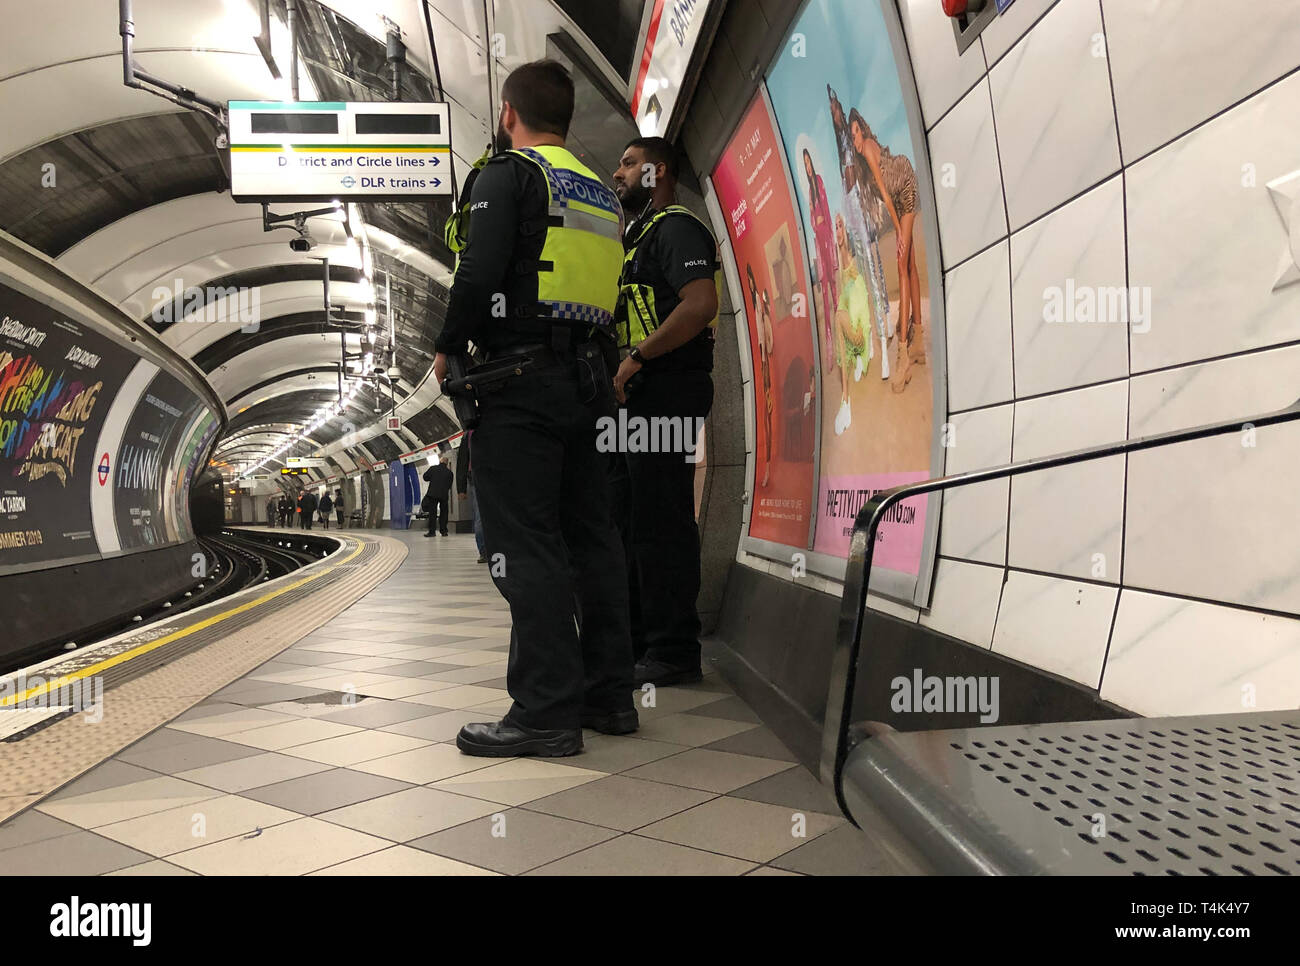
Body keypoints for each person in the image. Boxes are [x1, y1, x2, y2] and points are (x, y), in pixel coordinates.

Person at [432, 59, 637, 757]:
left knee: (526, 547)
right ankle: (610, 697)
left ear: (507, 113)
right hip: (586, 380)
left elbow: (478, 272)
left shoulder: (509, 176)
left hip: (518, 383)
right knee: (593, 541)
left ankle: (546, 711)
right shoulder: (601, 193)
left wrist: (445, 344)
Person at [610, 136, 720, 688]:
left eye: (630, 164)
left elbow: (700, 305)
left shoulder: (677, 227)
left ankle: (675, 649)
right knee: (632, 517)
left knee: (661, 519)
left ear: (661, 172)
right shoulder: (637, 238)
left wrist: (636, 358)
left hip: (669, 386)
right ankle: (640, 641)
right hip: (644, 392)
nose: (618, 173)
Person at [848, 108, 922, 393]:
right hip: (898, 193)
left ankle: (903, 353)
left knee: (902, 266)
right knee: (911, 266)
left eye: (857, 131)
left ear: (863, 130)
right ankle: (917, 342)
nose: (855, 138)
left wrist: (897, 228)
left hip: (905, 181)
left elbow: (883, 186)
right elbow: (874, 190)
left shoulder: (867, 147)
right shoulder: (863, 162)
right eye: (851, 134)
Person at [830, 87, 890, 382]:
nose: (837, 116)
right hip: (849, 203)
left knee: (873, 266)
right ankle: (868, 344)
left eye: (837, 110)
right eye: (834, 114)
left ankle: (883, 332)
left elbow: (863, 173)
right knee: (860, 273)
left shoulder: (853, 141)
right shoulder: (841, 144)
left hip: (860, 201)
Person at [803, 148, 839, 362]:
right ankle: (830, 350)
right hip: (818, 240)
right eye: (805, 164)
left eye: (809, 163)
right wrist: (810, 212)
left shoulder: (819, 181)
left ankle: (844, 337)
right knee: (824, 291)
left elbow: (824, 210)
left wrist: (831, 242)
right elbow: (812, 219)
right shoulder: (809, 191)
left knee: (833, 287)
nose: (808, 167)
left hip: (826, 236)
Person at [746, 263, 775, 488]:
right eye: (748, 281)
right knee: (764, 417)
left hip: (766, 364)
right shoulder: (753, 303)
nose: (750, 284)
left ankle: (769, 466)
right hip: (761, 364)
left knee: (769, 413)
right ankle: (767, 467)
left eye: (750, 279)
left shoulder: (760, 303)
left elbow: (769, 338)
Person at [422, 457, 453, 537]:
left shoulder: (433, 468)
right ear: (446, 463)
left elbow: (425, 477)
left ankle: (432, 532)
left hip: (433, 494)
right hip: (444, 494)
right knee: (444, 513)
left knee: (433, 513)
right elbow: (450, 485)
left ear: (440, 461)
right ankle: (444, 531)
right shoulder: (449, 473)